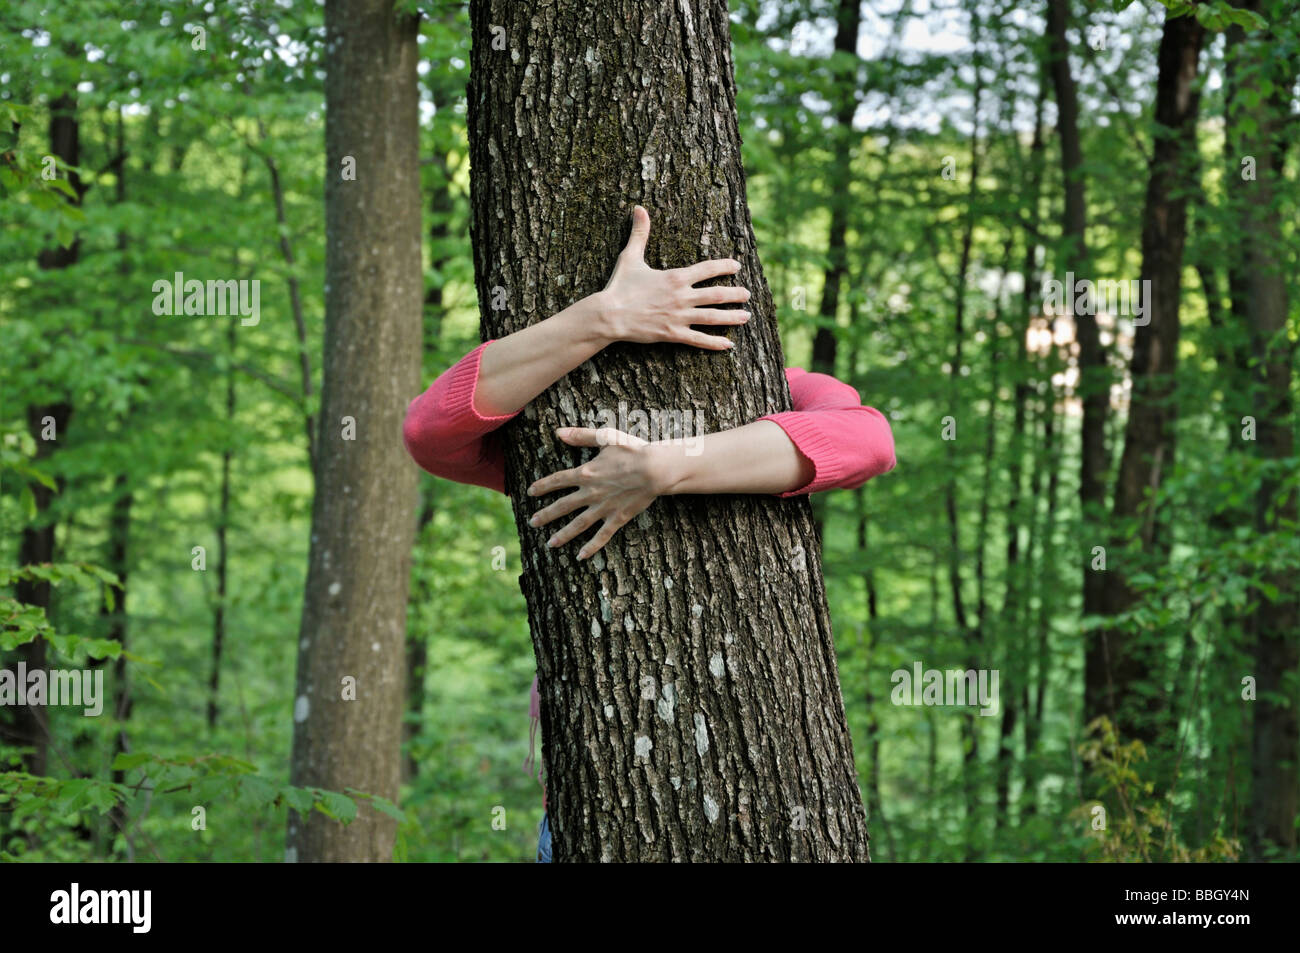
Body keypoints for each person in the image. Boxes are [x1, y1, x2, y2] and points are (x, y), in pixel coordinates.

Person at [402, 205, 896, 862]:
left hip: (769, 791)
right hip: (599, 799)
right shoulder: (553, 423)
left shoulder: (773, 391)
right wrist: (603, 316)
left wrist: (662, 467)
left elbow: (869, 440)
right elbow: (430, 430)